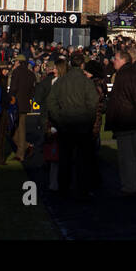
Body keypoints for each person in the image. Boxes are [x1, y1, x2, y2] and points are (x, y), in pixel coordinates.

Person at [47, 55, 100, 197]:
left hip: (66, 124)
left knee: (65, 159)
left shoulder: (61, 81)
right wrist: (88, 119)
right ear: (82, 65)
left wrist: (59, 119)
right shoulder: (86, 82)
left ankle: (64, 189)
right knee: (83, 161)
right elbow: (94, 103)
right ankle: (82, 190)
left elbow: (51, 103)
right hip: (82, 125)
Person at [105, 47, 136, 196]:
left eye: (116, 59)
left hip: (126, 120)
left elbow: (135, 98)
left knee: (127, 157)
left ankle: (130, 186)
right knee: (135, 155)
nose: (114, 61)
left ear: (123, 60)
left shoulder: (124, 75)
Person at [9, 56, 37, 162]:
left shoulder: (16, 72)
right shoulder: (31, 74)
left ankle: (20, 154)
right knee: (18, 129)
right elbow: (33, 91)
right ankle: (27, 146)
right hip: (25, 104)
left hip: (16, 104)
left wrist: (10, 98)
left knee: (17, 129)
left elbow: (13, 88)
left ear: (18, 62)